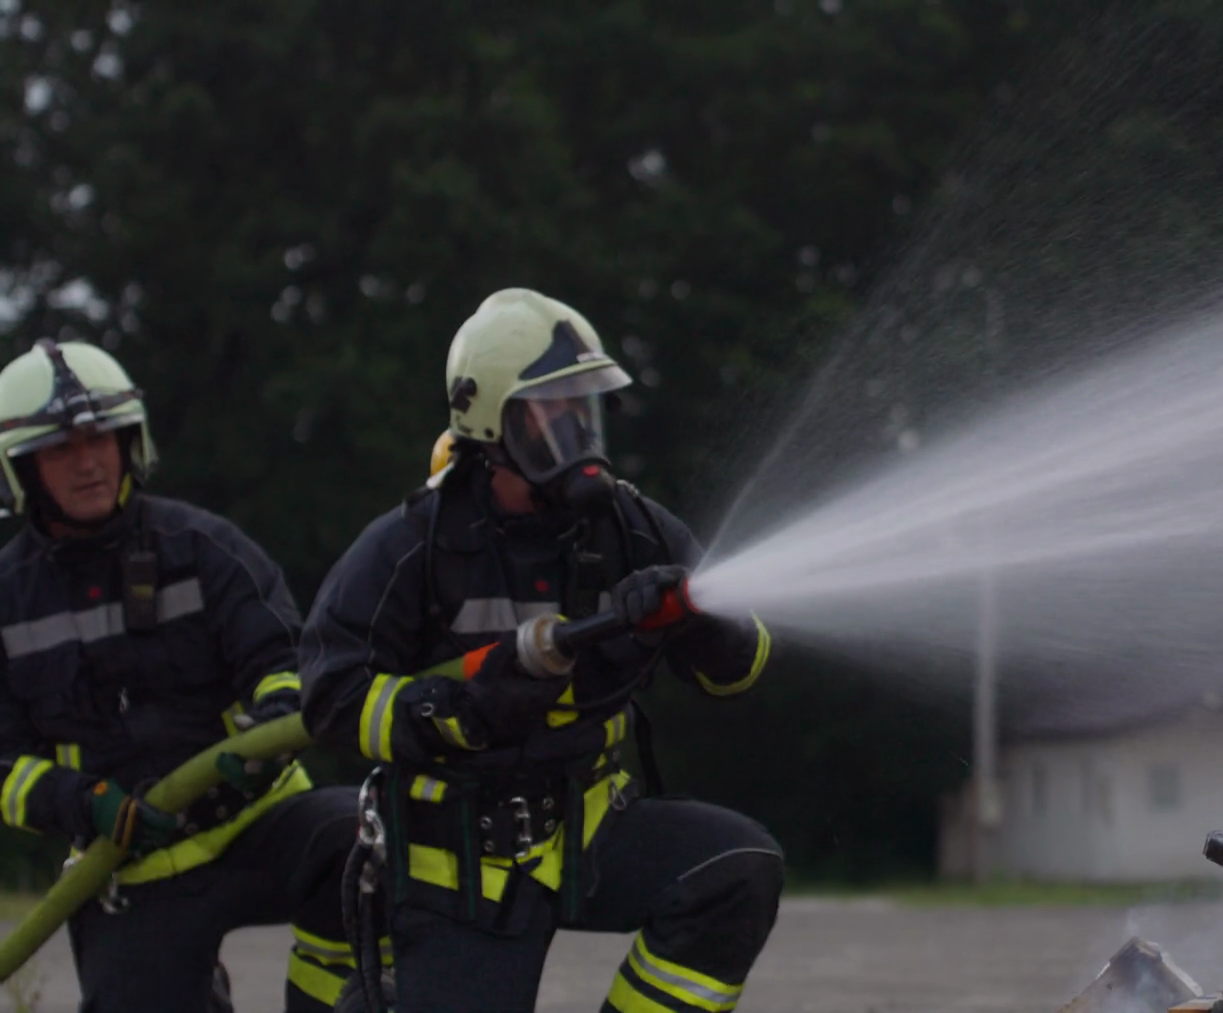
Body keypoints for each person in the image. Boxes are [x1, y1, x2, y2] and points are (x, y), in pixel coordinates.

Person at [301, 288, 782, 1013]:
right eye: (550, 412)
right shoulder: (413, 547)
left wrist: (697, 620)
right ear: (492, 427)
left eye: (583, 408)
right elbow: (330, 694)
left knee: (735, 867)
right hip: (459, 866)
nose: (576, 431)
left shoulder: (633, 527)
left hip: (590, 829)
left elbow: (741, 669)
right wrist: (461, 712)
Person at [0, 339, 364, 1011]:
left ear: (130, 442)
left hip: (258, 816)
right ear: (22, 468)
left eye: (102, 439)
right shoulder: (7, 599)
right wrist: (83, 800)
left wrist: (262, 740)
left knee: (368, 848)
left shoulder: (204, 547)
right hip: (130, 861)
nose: (88, 462)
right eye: (61, 449)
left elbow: (287, 665)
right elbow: (4, 767)